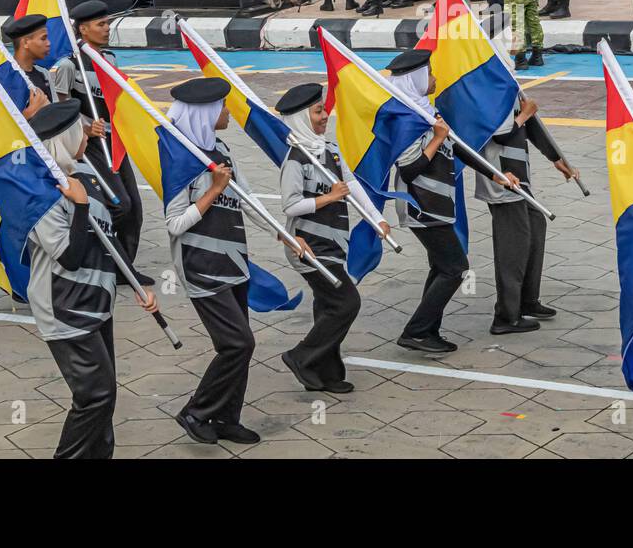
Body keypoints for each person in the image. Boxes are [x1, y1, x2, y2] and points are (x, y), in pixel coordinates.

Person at [26, 99, 155, 458]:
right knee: (95, 395)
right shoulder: (41, 193)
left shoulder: (82, 174)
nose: (86, 136)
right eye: (79, 131)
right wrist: (79, 207)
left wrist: (132, 281)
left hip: (97, 299)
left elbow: (107, 237)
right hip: (64, 306)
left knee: (105, 393)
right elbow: (69, 255)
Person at [388, 49, 506, 353]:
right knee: (455, 267)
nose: (434, 78)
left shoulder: (426, 110)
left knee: (440, 266)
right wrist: (438, 138)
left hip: (438, 202)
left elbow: (458, 144)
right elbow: (409, 169)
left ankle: (427, 329)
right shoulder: (407, 119)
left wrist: (493, 173)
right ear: (415, 79)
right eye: (428, 73)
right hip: (421, 204)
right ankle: (415, 331)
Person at [165, 77, 261, 446]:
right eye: (222, 107)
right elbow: (174, 223)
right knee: (238, 343)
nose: (227, 113)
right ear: (205, 112)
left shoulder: (219, 148)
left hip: (234, 259)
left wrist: (284, 234)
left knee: (239, 345)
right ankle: (196, 410)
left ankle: (226, 417)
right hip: (201, 266)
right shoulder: (182, 160)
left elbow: (246, 196)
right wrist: (214, 191)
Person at [276, 83, 389, 393]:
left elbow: (350, 183)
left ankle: (325, 374)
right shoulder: (295, 160)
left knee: (327, 306)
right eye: (317, 111)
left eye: (323, 109)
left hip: (335, 242)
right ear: (301, 118)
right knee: (346, 302)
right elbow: (290, 205)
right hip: (307, 245)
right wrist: (327, 198)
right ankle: (302, 356)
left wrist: (376, 218)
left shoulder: (329, 150)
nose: (325, 116)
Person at [52, 1, 149, 285]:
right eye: (100, 24)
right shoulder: (68, 66)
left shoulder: (109, 59)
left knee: (135, 210)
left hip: (114, 140)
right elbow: (59, 111)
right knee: (119, 205)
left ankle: (123, 268)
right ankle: (100, 256)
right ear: (83, 29)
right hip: (89, 145)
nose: (107, 29)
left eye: (107, 23)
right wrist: (84, 126)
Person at [476, 92, 574, 335]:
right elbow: (499, 134)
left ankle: (527, 299)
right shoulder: (486, 88)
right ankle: (506, 316)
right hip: (502, 179)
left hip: (520, 179)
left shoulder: (507, 85)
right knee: (513, 247)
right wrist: (526, 113)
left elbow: (529, 123)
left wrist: (555, 156)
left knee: (535, 226)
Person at [2, 13, 54, 111]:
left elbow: (55, 112)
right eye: (43, 38)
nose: (48, 43)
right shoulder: (5, 77)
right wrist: (30, 113)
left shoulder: (44, 74)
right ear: (25, 42)